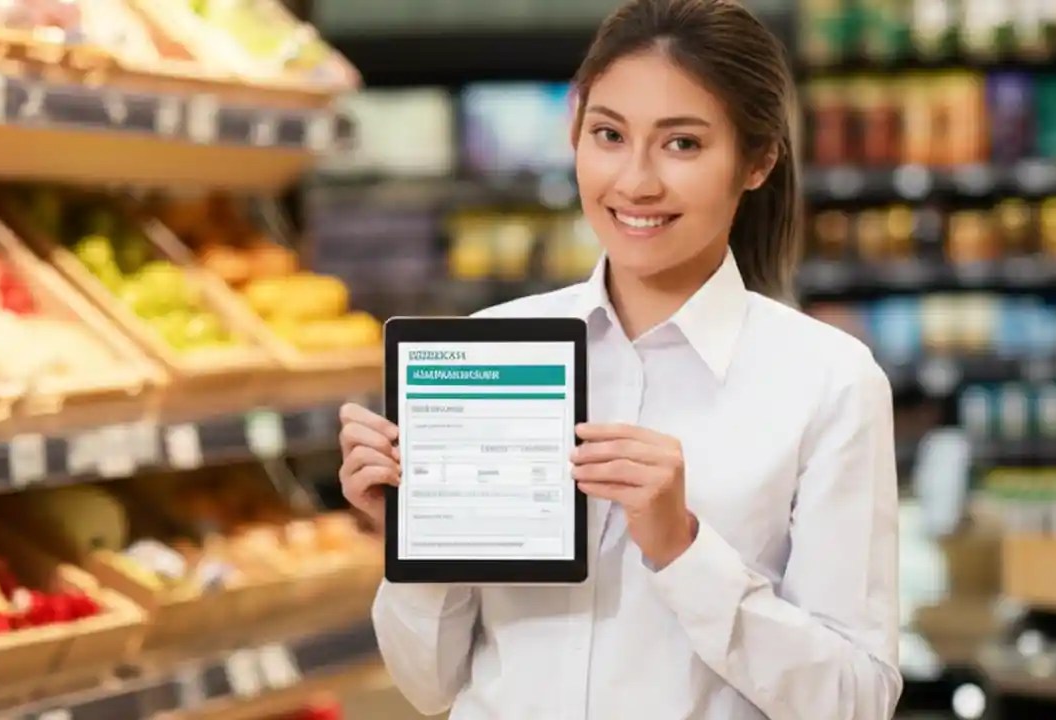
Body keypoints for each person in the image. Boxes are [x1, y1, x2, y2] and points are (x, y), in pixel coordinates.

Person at [336, 0, 902, 717]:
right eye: (608, 135)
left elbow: (856, 699)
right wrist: (412, 538)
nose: (635, 181)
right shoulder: (491, 349)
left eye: (683, 145)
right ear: (574, 134)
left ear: (757, 160)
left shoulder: (828, 382)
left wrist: (683, 550)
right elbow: (431, 686)